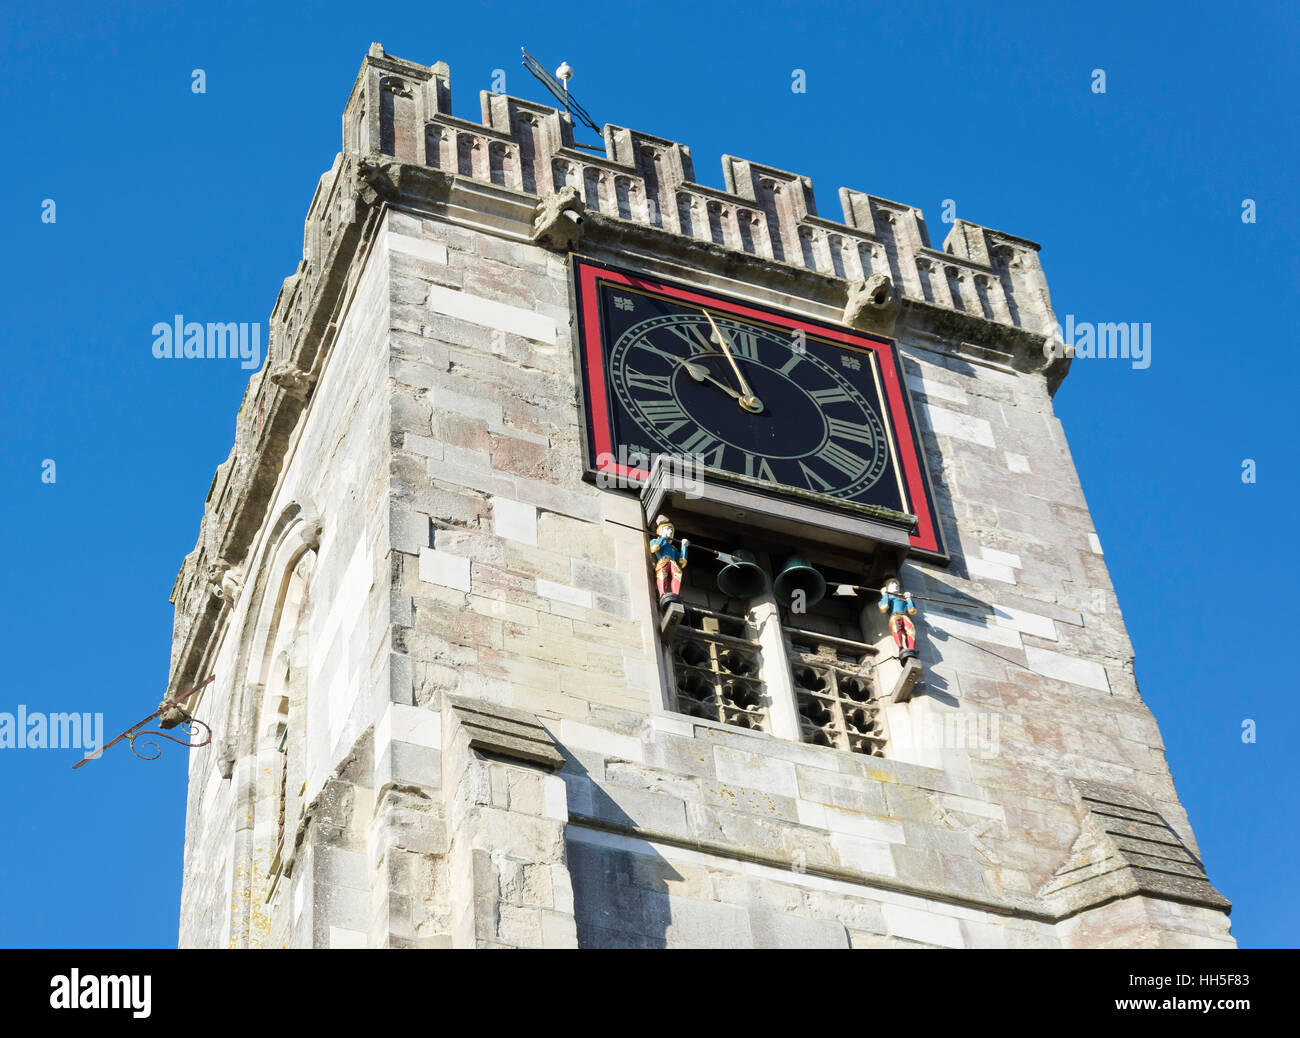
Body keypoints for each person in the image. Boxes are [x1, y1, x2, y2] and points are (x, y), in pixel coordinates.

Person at [648, 514, 689, 608]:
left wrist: (684, 547)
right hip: (663, 561)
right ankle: (662, 594)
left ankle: (676, 594)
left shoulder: (673, 548)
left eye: (671, 530)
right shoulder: (654, 541)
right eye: (667, 528)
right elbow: (654, 549)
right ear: (661, 530)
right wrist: (662, 538)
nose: (670, 531)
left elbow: (682, 563)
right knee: (662, 574)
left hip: (673, 562)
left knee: (677, 574)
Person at [878, 576, 918, 661]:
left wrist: (909, 598)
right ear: (887, 587)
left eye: (897, 585)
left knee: (911, 630)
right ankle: (900, 647)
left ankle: (911, 648)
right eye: (893, 584)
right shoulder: (887, 598)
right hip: (894, 615)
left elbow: (912, 611)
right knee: (896, 628)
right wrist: (885, 595)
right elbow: (884, 607)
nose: (896, 586)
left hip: (904, 615)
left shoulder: (902, 599)